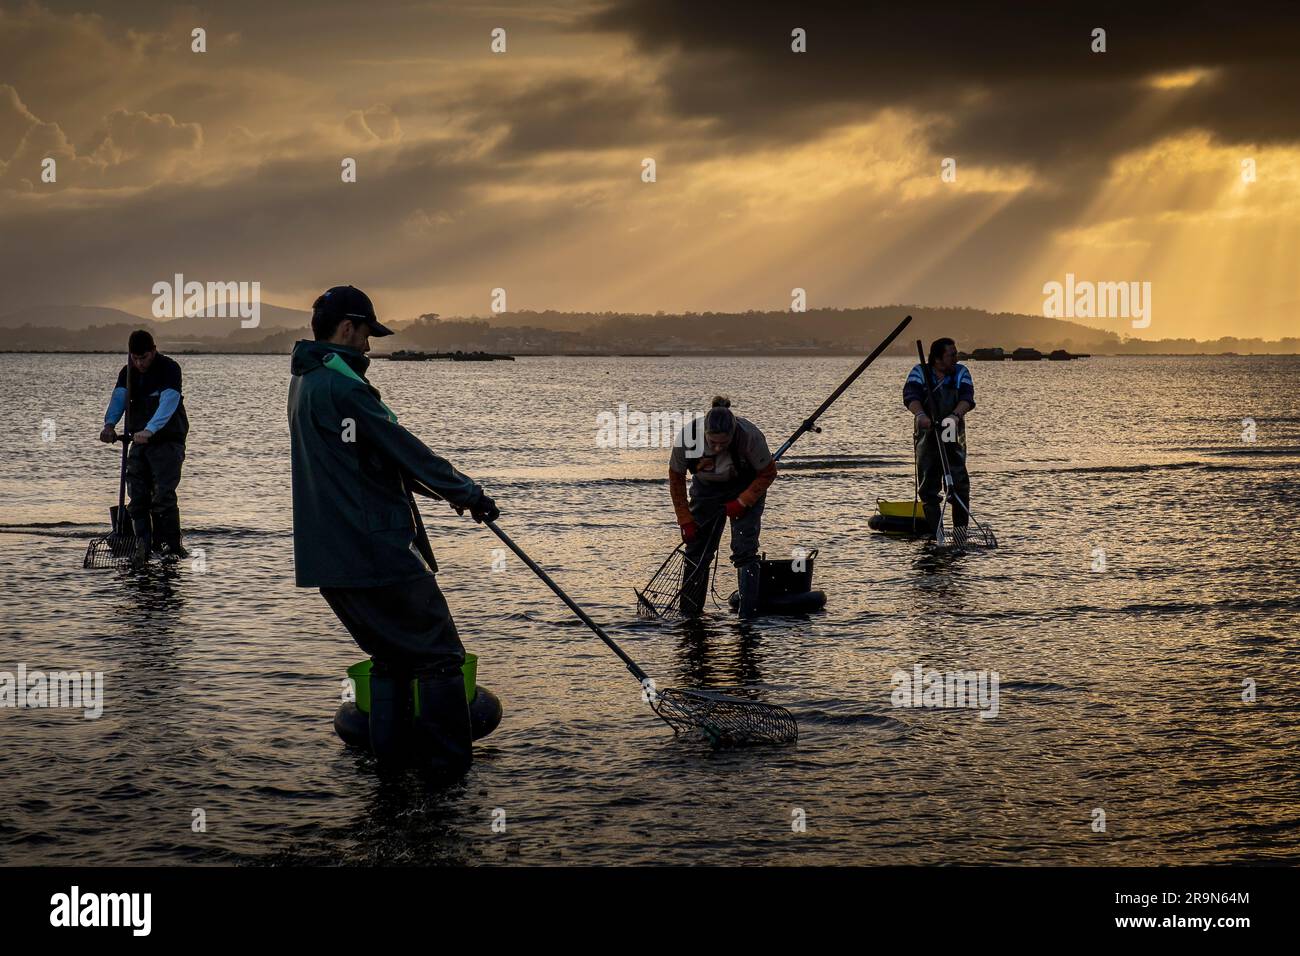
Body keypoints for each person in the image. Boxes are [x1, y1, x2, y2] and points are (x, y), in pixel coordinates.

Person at [288, 285, 498, 778]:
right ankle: (448, 788)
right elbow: (406, 449)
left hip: (332, 559)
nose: (368, 346)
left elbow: (374, 460)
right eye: (365, 334)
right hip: (376, 553)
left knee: (392, 659)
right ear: (346, 329)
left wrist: (447, 494)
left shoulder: (306, 382)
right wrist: (468, 493)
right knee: (442, 658)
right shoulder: (342, 387)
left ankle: (393, 779)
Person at [668, 397, 777, 618]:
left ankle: (748, 615)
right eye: (712, 443)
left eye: (723, 444)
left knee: (744, 549)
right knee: (697, 550)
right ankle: (689, 614)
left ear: (733, 434)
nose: (717, 448)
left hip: (746, 485)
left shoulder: (750, 437)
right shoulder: (687, 438)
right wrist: (685, 519)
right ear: (704, 433)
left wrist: (743, 501)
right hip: (706, 490)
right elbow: (676, 478)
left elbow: (768, 473)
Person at [99, 329, 190, 560]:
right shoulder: (127, 372)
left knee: (163, 495)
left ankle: (171, 546)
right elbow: (119, 398)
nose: (139, 363)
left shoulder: (169, 369)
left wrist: (151, 430)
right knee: (137, 495)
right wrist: (109, 425)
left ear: (153, 351)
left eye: (144, 358)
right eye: (135, 358)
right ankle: (142, 545)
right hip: (138, 440)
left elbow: (169, 402)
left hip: (168, 440)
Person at [904, 337, 975, 536]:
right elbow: (911, 396)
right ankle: (938, 535)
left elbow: (967, 398)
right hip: (927, 431)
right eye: (951, 355)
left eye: (956, 354)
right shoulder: (920, 372)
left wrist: (954, 416)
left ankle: (961, 533)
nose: (955, 358)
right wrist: (920, 416)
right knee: (928, 486)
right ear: (937, 359)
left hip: (951, 428)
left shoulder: (961, 372)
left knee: (958, 482)